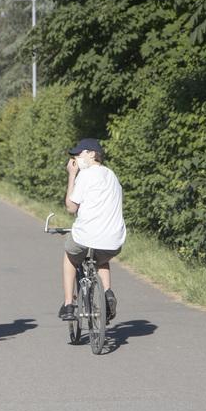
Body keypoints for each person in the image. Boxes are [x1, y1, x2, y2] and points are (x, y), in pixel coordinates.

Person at [59, 138, 125, 322]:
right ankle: (107, 293)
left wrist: (72, 175)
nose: (77, 158)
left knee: (70, 255)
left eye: (79, 154)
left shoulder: (86, 175)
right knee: (101, 259)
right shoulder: (112, 175)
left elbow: (71, 207)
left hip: (87, 236)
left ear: (91, 154)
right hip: (114, 239)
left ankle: (68, 305)